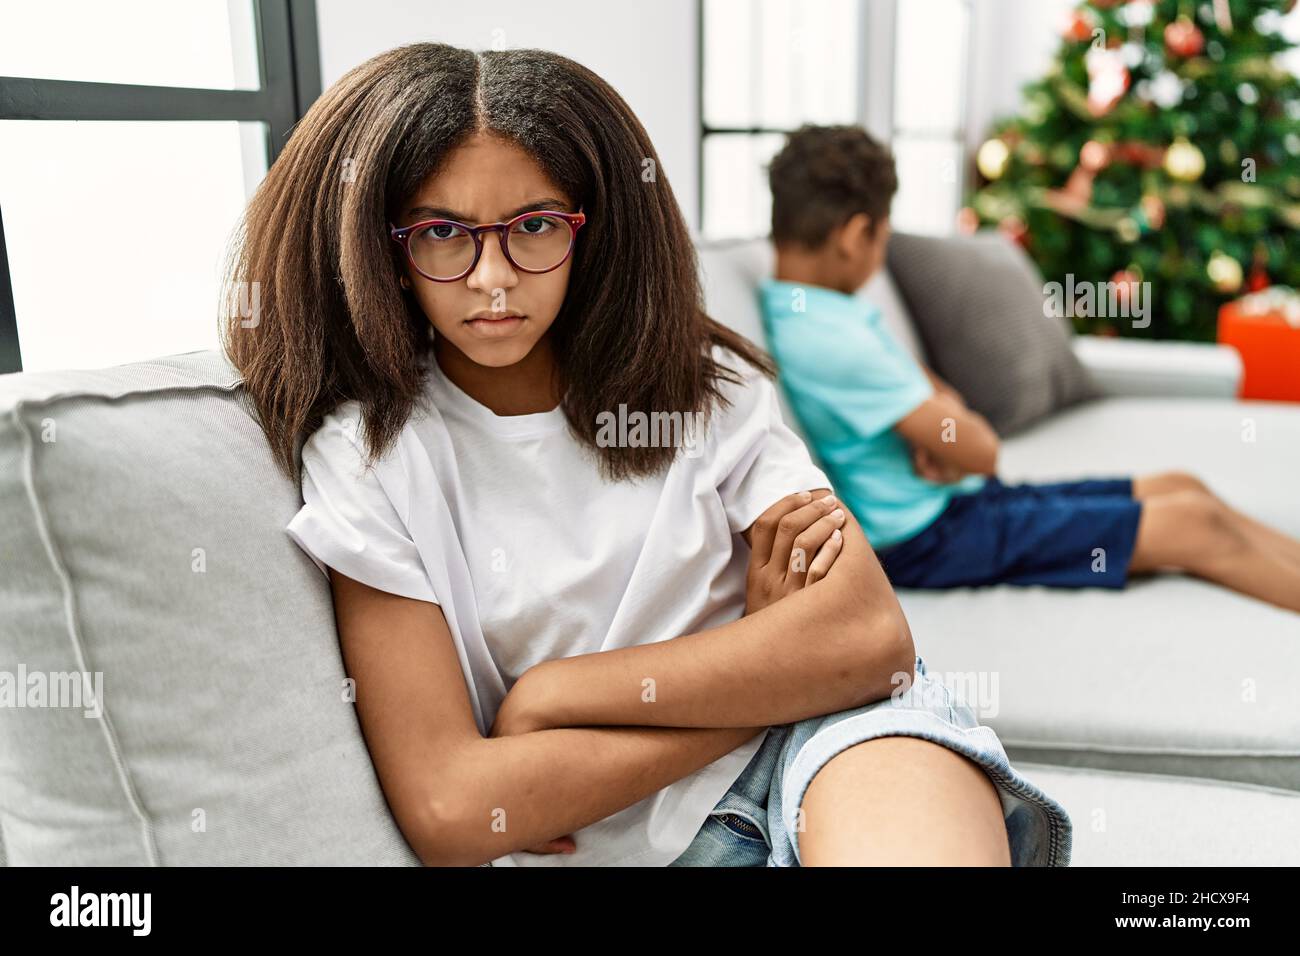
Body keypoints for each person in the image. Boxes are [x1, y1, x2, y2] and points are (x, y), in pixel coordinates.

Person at [222, 44, 1071, 867]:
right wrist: (765, 671)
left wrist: (553, 698)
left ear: (589, 229)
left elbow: (867, 642)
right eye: (444, 233)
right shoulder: (371, 457)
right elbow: (451, 804)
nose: (493, 277)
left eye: (536, 226)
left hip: (836, 740)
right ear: (391, 249)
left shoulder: (705, 385)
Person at [759, 124, 1300, 614]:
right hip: (928, 541)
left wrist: (947, 431)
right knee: (1191, 523)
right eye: (881, 237)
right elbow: (983, 450)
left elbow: (942, 409)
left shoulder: (816, 309)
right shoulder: (829, 339)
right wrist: (952, 433)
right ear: (856, 235)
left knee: (1184, 486)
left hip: (956, 505)